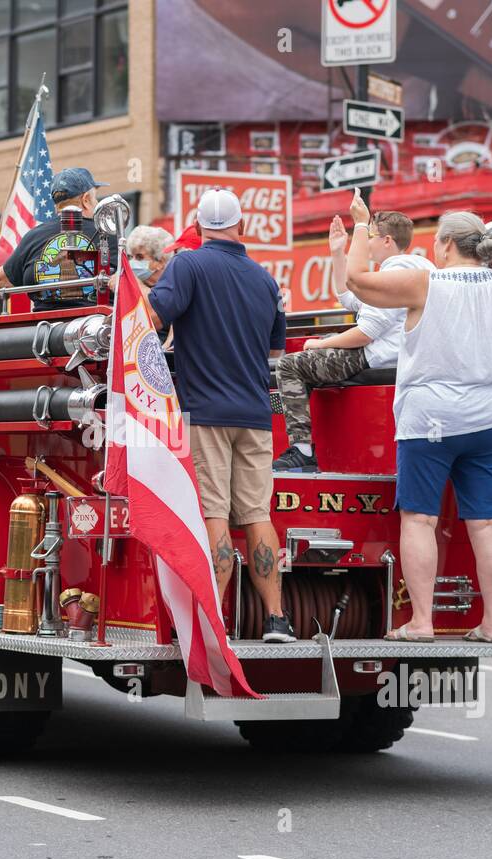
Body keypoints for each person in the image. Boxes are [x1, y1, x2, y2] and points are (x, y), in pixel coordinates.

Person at [344, 196, 492, 643]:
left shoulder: (423, 283)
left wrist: (359, 226)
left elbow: (357, 280)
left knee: (419, 519)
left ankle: (422, 622)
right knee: (487, 521)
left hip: (431, 417)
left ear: (447, 244)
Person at [147, 187, 295, 642]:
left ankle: (214, 622)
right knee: (256, 513)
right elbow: (275, 349)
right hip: (254, 413)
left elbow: (152, 317)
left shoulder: (188, 263)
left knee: (213, 513)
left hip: (206, 412)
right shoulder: (264, 279)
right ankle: (276, 620)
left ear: (196, 228)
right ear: (242, 226)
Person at [273, 211, 433, 472]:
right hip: (403, 355)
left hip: (379, 356)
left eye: (370, 236)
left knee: (289, 365)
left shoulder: (393, 272)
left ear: (387, 241)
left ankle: (302, 451)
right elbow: (350, 298)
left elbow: (366, 331)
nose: (367, 242)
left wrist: (322, 344)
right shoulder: (421, 267)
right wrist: (338, 253)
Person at [0, 167, 119, 312]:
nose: (97, 203)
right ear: (85, 199)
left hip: (43, 333)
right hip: (97, 332)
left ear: (58, 205)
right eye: (95, 198)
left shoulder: (33, 237)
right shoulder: (108, 234)